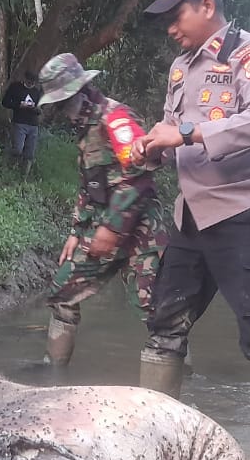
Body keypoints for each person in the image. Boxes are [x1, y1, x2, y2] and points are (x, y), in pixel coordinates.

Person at [132, 0, 250, 430]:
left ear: (206, 5)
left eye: (175, 15)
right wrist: (155, 147)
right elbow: (170, 129)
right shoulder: (180, 68)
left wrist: (183, 133)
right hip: (192, 214)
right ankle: (151, 434)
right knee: (165, 322)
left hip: (245, 212)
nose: (170, 28)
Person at [35, 53, 168, 367]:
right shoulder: (83, 128)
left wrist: (111, 228)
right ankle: (54, 376)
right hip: (98, 230)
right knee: (62, 292)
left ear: (81, 90)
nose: (61, 110)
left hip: (139, 230)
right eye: (57, 103)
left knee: (156, 312)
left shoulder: (115, 118)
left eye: (63, 101)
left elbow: (139, 176)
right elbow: (90, 186)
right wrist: (75, 231)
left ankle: (175, 387)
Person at [1, 70, 44, 175]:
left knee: (29, 154)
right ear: (25, 79)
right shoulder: (16, 88)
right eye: (29, 81)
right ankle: (8, 166)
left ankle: (23, 176)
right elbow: (5, 102)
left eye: (33, 82)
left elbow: (40, 109)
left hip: (33, 124)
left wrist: (35, 109)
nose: (31, 83)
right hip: (19, 122)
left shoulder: (36, 92)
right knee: (17, 149)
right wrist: (19, 105)